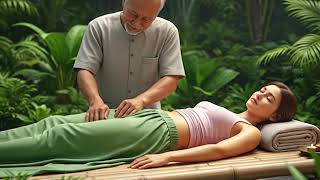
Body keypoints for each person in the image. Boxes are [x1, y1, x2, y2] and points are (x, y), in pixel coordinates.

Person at [0, 82, 297, 176]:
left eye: (268, 98)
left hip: (157, 135)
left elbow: (219, 151)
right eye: (262, 89)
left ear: (274, 117)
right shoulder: (234, 113)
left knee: (61, 137)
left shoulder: (251, 131)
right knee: (54, 122)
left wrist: (166, 158)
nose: (260, 94)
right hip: (150, 118)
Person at [73, 0, 185, 122]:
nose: (137, 24)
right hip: (103, 115)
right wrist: (95, 100)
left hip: (148, 117)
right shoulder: (98, 27)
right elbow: (85, 70)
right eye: (133, 14)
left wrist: (142, 100)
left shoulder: (168, 32)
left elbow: (172, 78)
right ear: (124, 2)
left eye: (146, 19)